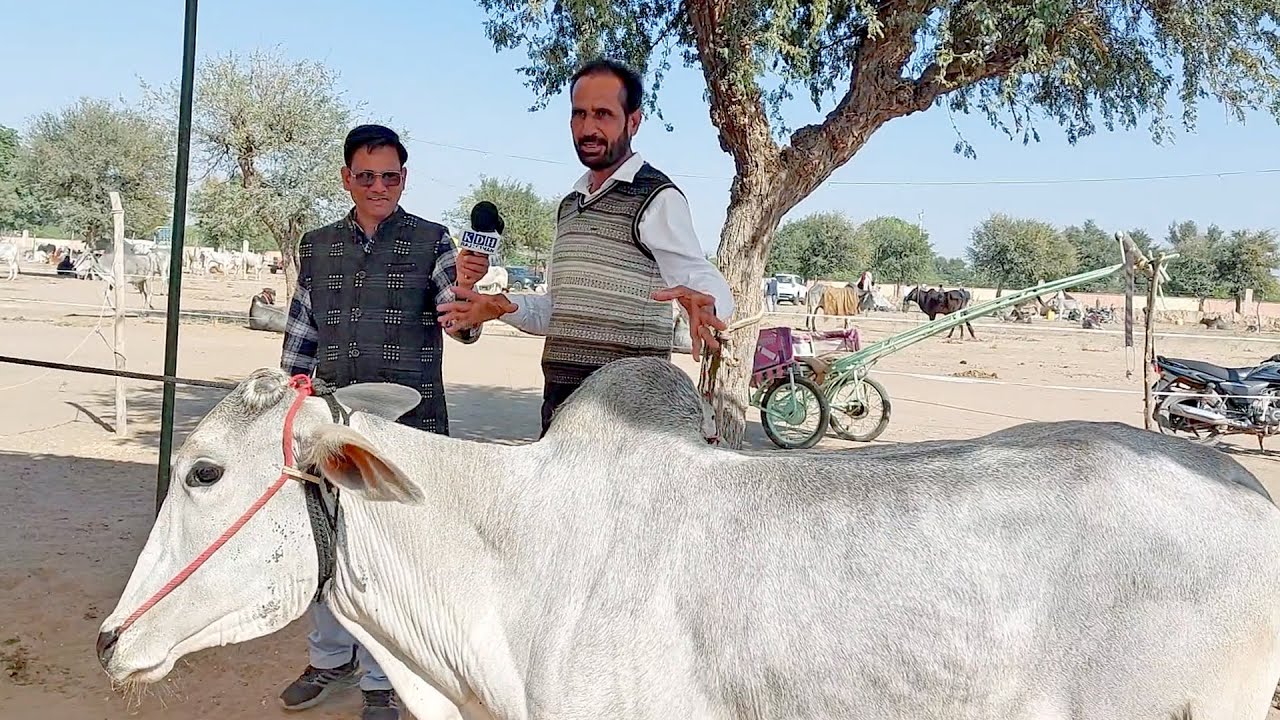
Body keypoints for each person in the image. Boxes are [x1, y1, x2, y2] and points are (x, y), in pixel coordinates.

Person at [276, 123, 489, 720]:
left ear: (404, 178)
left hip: (410, 423)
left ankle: (382, 680)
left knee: (391, 553)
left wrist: (469, 302)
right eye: (365, 176)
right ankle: (328, 659)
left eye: (389, 176)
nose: (378, 186)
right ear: (346, 178)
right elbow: (302, 331)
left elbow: (461, 321)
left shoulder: (434, 241)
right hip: (330, 418)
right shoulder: (316, 246)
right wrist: (294, 397)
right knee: (325, 539)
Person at [439, 58, 734, 437]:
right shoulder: (570, 206)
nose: (588, 128)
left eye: (603, 114)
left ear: (633, 121)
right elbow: (558, 311)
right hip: (562, 425)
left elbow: (702, 279)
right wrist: (499, 306)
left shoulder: (657, 198)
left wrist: (707, 301)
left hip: (630, 431)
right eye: (578, 115)